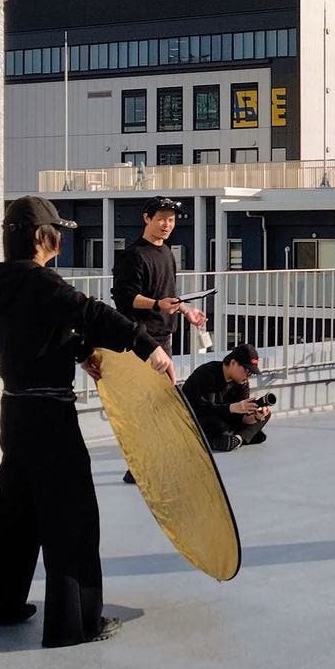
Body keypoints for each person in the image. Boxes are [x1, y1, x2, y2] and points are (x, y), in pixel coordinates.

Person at [0, 195, 175, 647]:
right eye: (56, 232)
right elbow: (90, 312)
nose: (60, 240)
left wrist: (78, 353)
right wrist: (147, 346)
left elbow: (35, 333)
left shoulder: (4, 286)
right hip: (50, 416)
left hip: (17, 411)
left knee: (13, 513)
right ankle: (76, 623)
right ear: (43, 237)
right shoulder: (40, 282)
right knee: (71, 517)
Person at [112, 197, 207, 484]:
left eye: (172, 220)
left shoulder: (167, 253)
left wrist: (187, 310)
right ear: (147, 219)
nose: (167, 225)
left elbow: (169, 296)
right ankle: (141, 466)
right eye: (162, 218)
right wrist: (156, 304)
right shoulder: (132, 256)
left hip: (164, 337)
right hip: (141, 341)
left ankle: (151, 463)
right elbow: (124, 298)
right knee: (151, 405)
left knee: (163, 402)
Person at [182, 343, 272, 452]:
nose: (247, 377)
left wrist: (255, 417)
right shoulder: (208, 373)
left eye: (251, 374)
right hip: (195, 418)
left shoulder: (242, 382)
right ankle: (240, 437)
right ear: (233, 363)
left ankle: (237, 439)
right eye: (247, 371)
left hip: (226, 418)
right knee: (218, 425)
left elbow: (240, 417)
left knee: (266, 415)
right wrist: (233, 408)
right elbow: (204, 409)